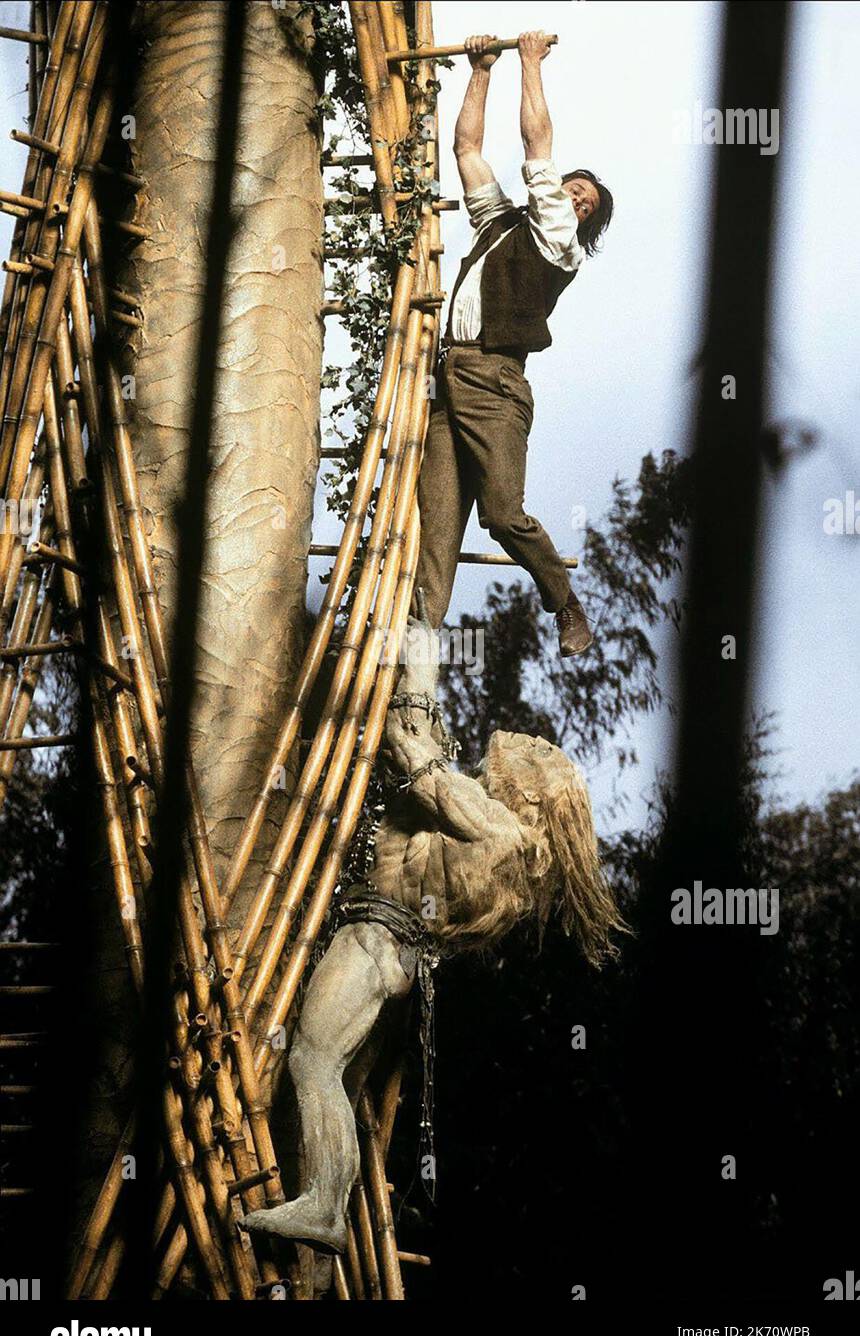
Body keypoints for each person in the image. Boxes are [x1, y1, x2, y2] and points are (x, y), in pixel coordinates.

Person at [239, 611, 622, 1252]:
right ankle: (324, 1201)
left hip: (372, 940)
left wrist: (419, 668)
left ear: (533, 797)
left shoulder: (500, 826)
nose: (530, 741)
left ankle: (325, 1205)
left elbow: (417, 761)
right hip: (384, 944)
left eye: (541, 753)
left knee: (312, 1060)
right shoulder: (502, 832)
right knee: (322, 1062)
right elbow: (432, 768)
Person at [415, 31, 613, 657]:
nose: (572, 198)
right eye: (572, 188)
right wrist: (480, 70)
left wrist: (527, 61)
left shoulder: (559, 239)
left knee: (501, 515)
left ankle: (566, 602)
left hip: (497, 386)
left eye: (584, 202)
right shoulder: (505, 223)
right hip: (450, 378)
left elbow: (536, 143)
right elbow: (467, 148)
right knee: (435, 535)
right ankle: (417, 666)